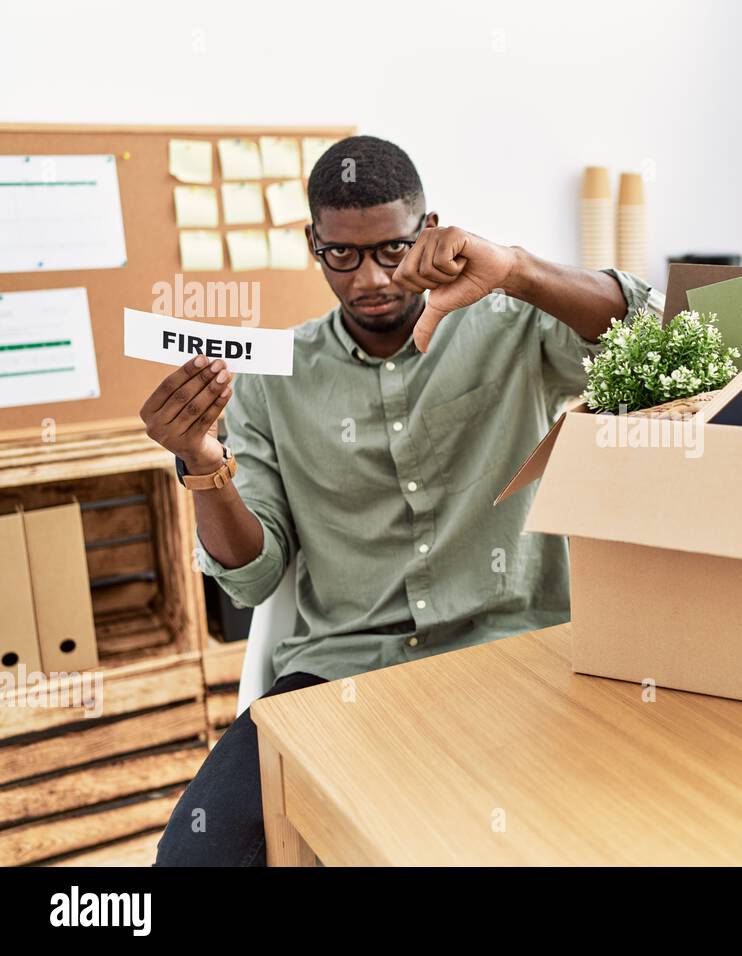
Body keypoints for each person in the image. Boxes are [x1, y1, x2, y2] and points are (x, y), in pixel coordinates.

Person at [149, 135, 653, 865]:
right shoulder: (271, 376)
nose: (370, 279)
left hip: (512, 654)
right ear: (313, 245)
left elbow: (647, 329)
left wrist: (513, 269)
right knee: (198, 857)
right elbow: (254, 575)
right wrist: (202, 465)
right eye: (342, 256)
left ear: (430, 231)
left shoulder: (507, 324)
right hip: (342, 673)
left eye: (391, 249)